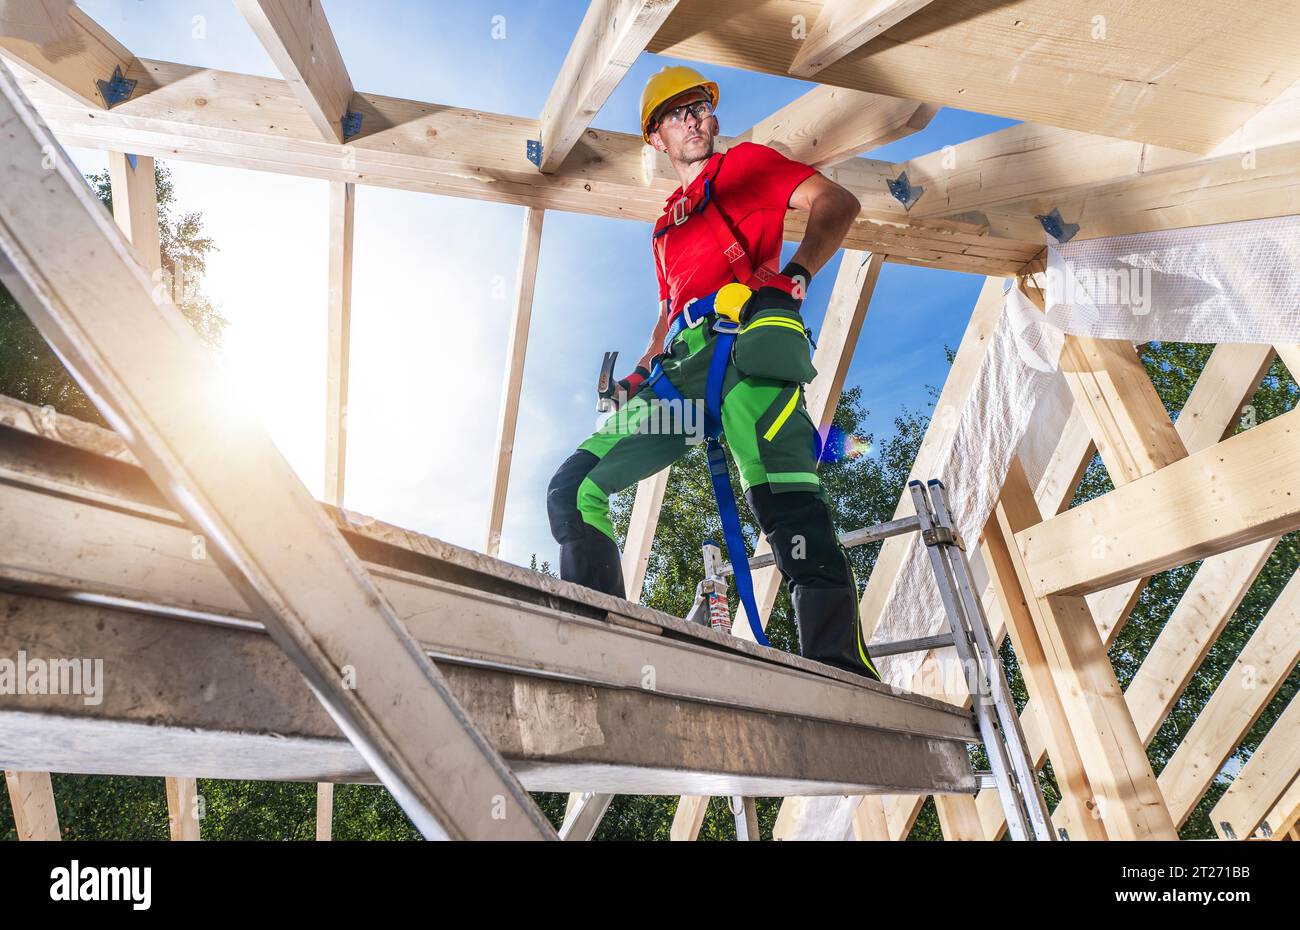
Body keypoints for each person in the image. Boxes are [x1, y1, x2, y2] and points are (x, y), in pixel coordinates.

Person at [547, 65, 878, 680]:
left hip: (748, 349)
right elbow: (667, 314)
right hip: (682, 372)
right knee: (574, 488)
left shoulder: (747, 166)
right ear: (656, 138)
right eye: (676, 114)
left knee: (789, 509)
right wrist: (636, 378)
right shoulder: (664, 228)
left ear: (713, 117)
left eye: (699, 107)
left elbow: (838, 203)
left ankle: (841, 672)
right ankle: (602, 655)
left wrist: (796, 277)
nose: (692, 119)